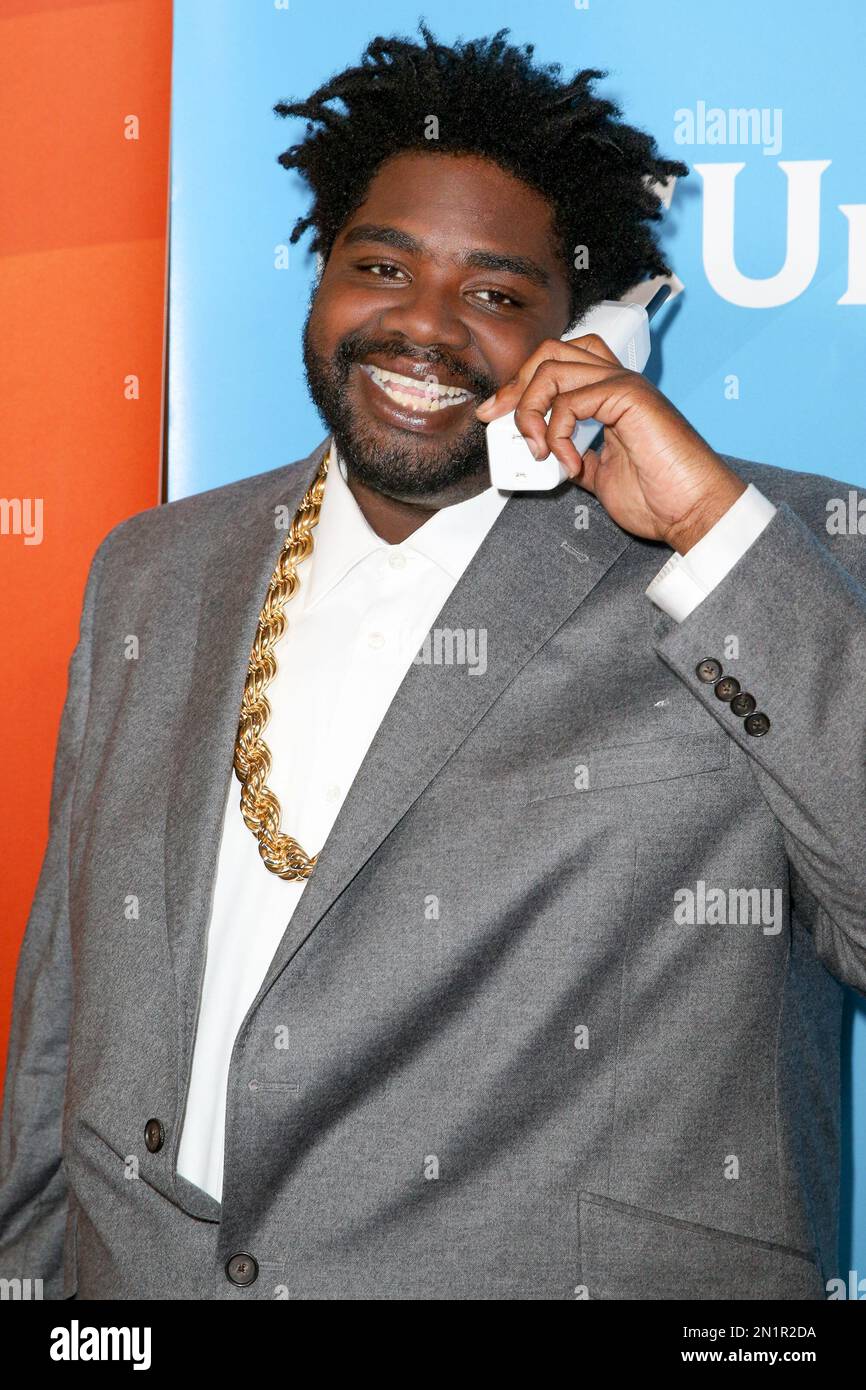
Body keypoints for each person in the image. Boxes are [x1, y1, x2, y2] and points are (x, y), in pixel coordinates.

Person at [1, 23, 864, 1301]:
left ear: (595, 329)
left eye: (498, 293)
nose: (422, 327)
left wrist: (705, 528)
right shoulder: (158, 566)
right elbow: (65, 1013)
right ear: (318, 276)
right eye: (380, 264)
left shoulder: (767, 559)